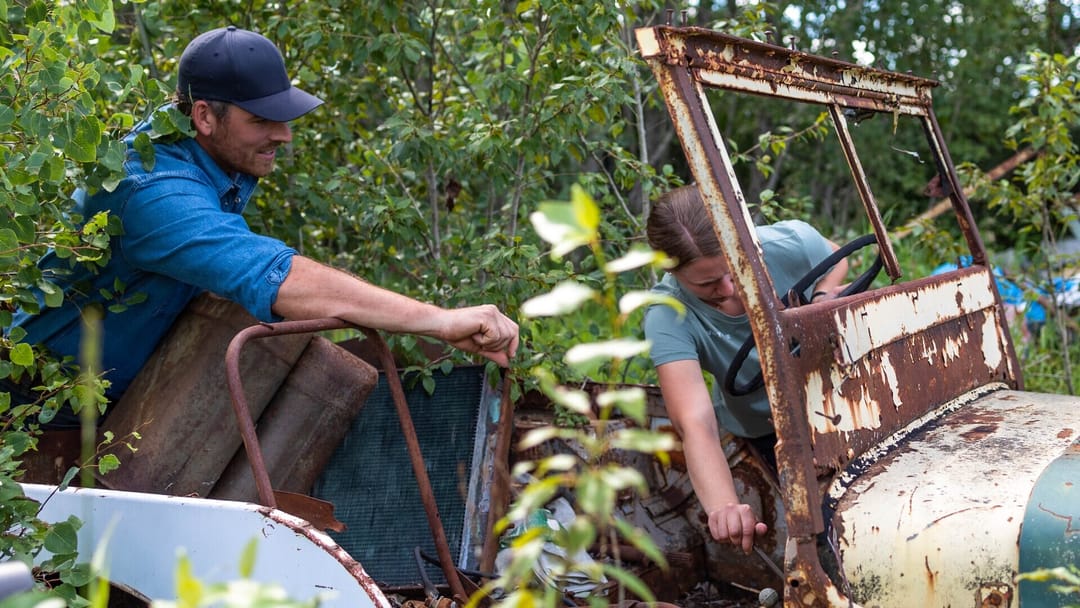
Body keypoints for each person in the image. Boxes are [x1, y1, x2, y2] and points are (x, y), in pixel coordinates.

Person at [6, 26, 519, 428]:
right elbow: (273, 274)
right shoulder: (152, 191)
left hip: (106, 397)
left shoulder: (198, 150)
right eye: (262, 120)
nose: (284, 135)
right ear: (204, 115)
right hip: (39, 408)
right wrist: (440, 321)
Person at [642, 185, 847, 554]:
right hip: (770, 430)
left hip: (841, 402)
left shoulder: (786, 243)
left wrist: (820, 298)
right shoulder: (667, 316)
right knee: (826, 530)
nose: (730, 288)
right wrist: (724, 506)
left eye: (733, 268)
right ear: (672, 271)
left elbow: (836, 258)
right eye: (707, 284)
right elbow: (696, 423)